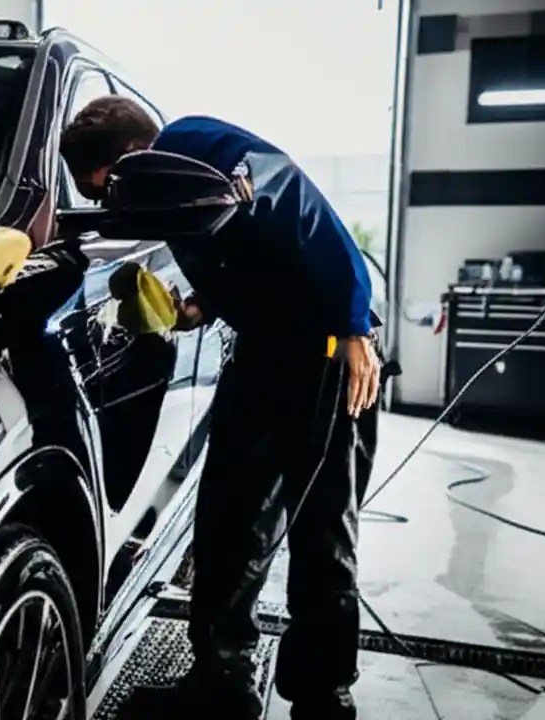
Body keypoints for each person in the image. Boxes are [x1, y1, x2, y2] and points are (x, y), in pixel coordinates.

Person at [61, 97, 383, 720]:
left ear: (132, 158)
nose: (107, 207)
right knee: (227, 529)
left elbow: (303, 209)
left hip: (326, 357)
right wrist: (193, 310)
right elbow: (242, 259)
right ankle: (222, 687)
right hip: (261, 358)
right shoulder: (173, 197)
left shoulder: (198, 145)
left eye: (101, 189)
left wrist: (353, 329)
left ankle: (322, 700)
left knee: (321, 538)